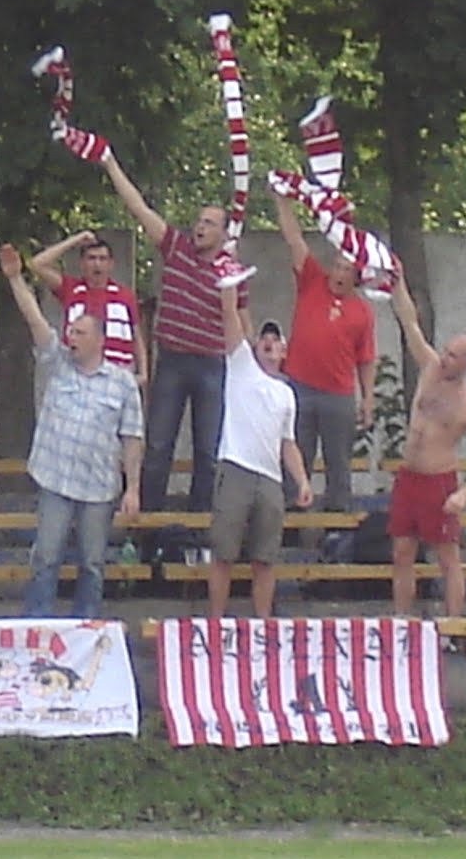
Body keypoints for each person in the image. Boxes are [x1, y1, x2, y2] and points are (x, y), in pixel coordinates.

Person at [87, 147, 251, 511]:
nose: (200, 227)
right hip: (173, 360)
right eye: (199, 220)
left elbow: (242, 322)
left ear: (225, 233)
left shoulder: (233, 272)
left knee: (209, 451)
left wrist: (251, 372)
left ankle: (198, 533)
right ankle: (149, 531)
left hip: (212, 364)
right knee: (158, 445)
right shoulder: (176, 246)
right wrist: (111, 163)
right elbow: (139, 208)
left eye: (209, 223)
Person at [0, 243, 143, 619]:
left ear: (98, 340)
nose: (71, 337)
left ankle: (87, 628)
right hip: (56, 481)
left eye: (79, 332)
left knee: (93, 563)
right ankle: (37, 627)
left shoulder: (123, 383)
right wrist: (16, 279)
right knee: (45, 557)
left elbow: (132, 437)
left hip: (99, 488)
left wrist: (133, 488)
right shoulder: (58, 362)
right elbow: (35, 320)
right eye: (71, 331)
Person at [386, 271, 466, 620]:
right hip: (409, 476)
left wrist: (464, 492)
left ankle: (453, 625)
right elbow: (409, 323)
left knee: (447, 557)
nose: (445, 358)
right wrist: (398, 282)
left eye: (453, 356)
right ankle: (402, 621)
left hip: (438, 480)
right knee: (402, 551)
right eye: (446, 351)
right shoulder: (430, 368)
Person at [207, 287, 314, 619]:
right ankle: (215, 621)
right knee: (223, 553)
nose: (269, 343)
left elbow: (288, 442)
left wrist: (302, 481)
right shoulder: (241, 368)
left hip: (270, 478)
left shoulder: (287, 394)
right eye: (264, 339)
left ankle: (263, 623)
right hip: (236, 468)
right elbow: (230, 319)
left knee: (265, 558)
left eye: (275, 339)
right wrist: (230, 288)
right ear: (256, 347)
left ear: (284, 350)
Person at [271, 190, 378, 513]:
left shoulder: (362, 312)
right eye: (336, 266)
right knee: (294, 457)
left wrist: (368, 398)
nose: (338, 273)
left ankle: (336, 531)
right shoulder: (312, 281)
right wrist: (282, 201)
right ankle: (290, 523)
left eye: (347, 269)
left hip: (337, 394)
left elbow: (366, 358)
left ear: (356, 277)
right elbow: (294, 241)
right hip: (299, 386)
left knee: (338, 464)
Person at [29, 230, 149, 391]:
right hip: (76, 375)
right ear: (82, 263)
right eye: (91, 258)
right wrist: (75, 240)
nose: (97, 264)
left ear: (110, 264)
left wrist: (143, 373)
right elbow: (37, 264)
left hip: (116, 377)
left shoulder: (125, 296)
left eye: (102, 259)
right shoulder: (71, 290)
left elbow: (136, 337)